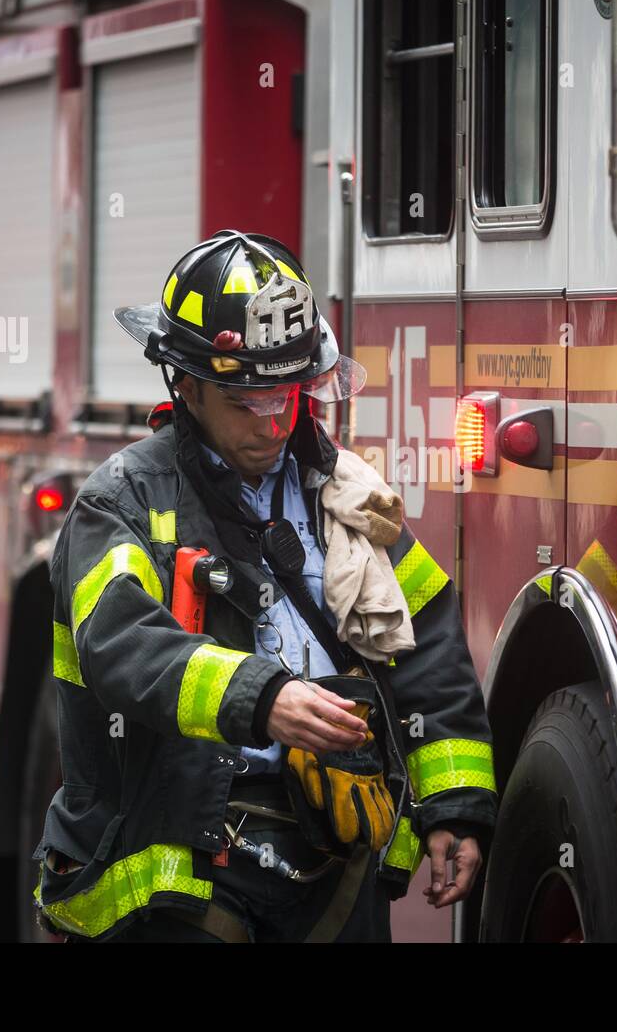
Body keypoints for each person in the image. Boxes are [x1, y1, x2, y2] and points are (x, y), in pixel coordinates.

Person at [33, 230, 497, 942]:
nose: (273, 421)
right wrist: (264, 699)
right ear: (184, 385)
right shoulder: (122, 502)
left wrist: (455, 805)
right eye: (245, 400)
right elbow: (121, 644)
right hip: (184, 876)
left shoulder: (344, 496)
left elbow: (429, 648)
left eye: (286, 395)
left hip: (330, 867)